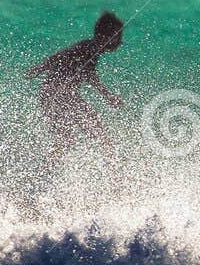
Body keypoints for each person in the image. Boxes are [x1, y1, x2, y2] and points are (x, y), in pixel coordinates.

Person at [24, 11, 125, 156]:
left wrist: (40, 68)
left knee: (66, 140)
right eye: (118, 36)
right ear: (106, 36)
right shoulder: (90, 47)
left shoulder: (88, 46)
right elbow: (86, 72)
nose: (120, 41)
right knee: (99, 134)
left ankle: (45, 173)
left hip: (54, 95)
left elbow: (59, 58)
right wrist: (108, 95)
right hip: (59, 96)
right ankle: (116, 173)